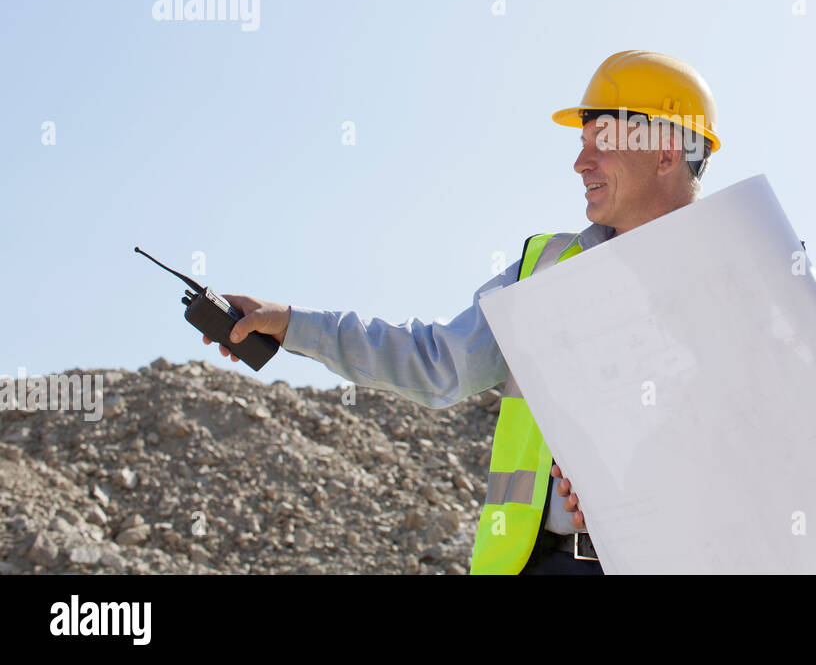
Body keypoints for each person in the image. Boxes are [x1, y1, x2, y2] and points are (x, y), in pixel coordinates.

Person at [200, 50, 721, 575]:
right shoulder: (547, 269)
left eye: (602, 142)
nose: (580, 163)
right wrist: (291, 323)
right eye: (581, 144)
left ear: (665, 152)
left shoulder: (747, 279)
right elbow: (438, 362)